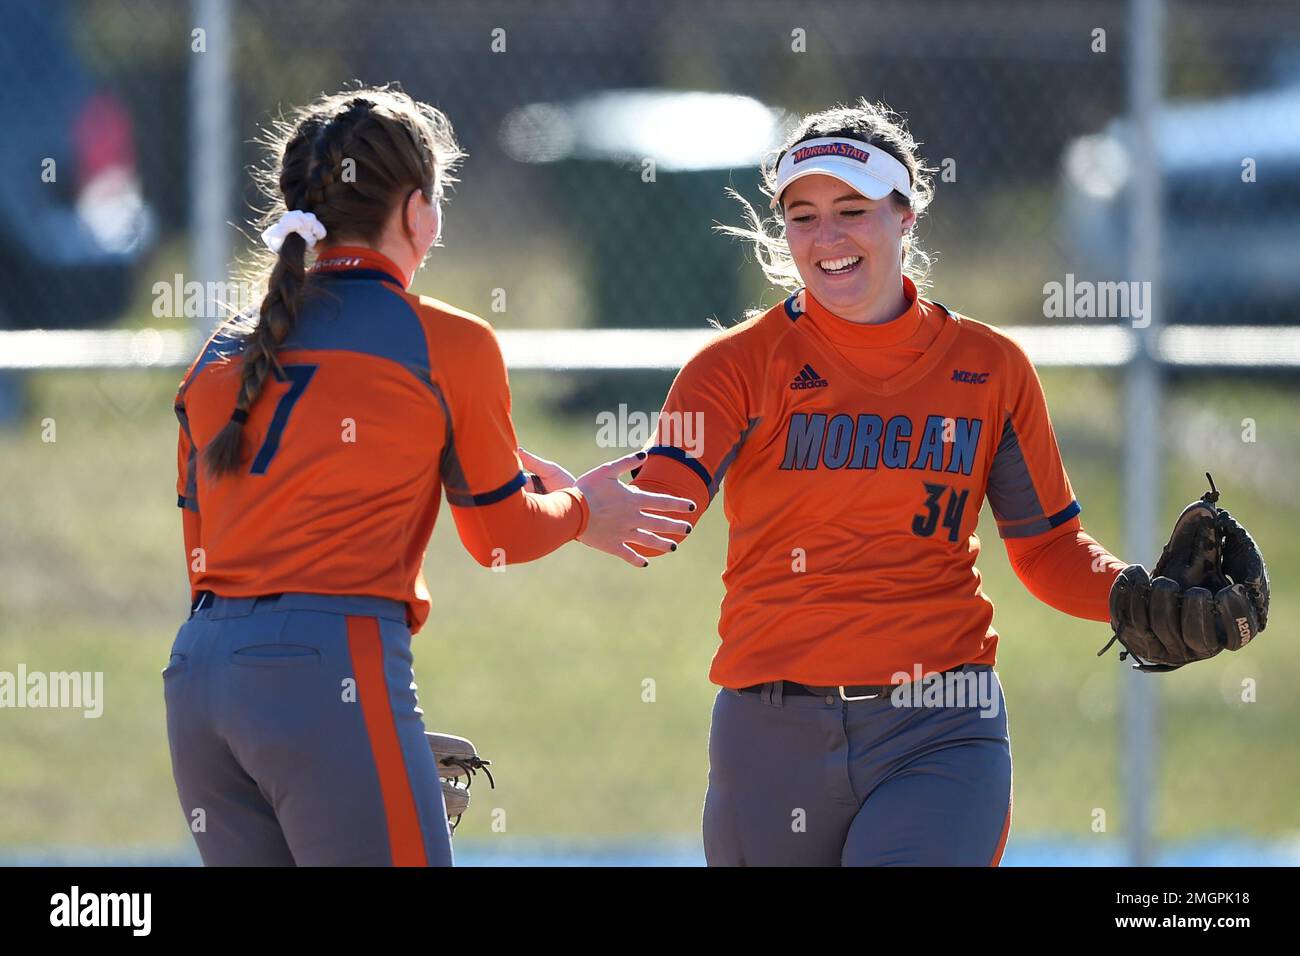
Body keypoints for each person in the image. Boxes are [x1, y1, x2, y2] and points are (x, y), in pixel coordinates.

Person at [523, 98, 1265, 866]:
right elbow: (663, 504)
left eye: (852, 208)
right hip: (772, 735)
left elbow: (1047, 548)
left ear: (905, 214)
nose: (827, 236)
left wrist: (1128, 596)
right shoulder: (735, 367)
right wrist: (569, 506)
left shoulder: (989, 369)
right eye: (802, 215)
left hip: (940, 725)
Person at [164, 85, 694, 867]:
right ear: (416, 211)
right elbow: (501, 537)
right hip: (331, 663)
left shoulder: (224, 350)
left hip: (200, 679)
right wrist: (583, 509)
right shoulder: (446, 340)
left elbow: (210, 550)